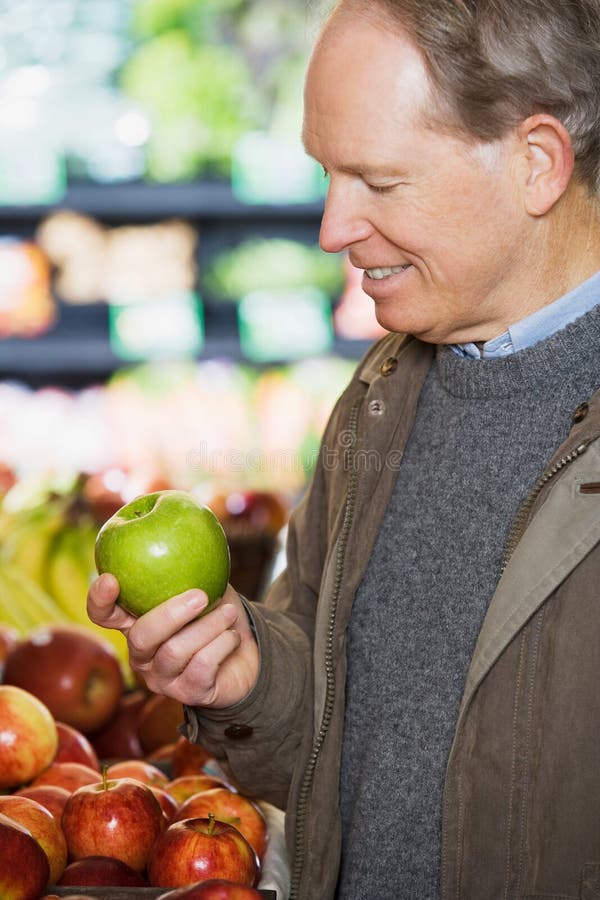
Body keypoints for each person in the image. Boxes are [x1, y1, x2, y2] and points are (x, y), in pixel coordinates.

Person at [88, 0, 600, 897]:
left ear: (536, 164)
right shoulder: (381, 399)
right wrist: (245, 676)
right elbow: (335, 765)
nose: (332, 229)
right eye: (327, 174)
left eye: (378, 181)